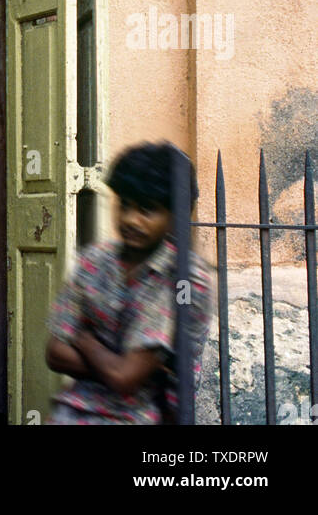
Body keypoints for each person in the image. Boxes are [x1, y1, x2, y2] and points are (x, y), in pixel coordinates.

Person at [44, 141, 212, 424]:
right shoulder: (95, 261)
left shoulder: (185, 278)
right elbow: (55, 353)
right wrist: (122, 367)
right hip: (73, 411)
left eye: (146, 210)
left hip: (142, 416)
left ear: (174, 216)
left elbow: (125, 378)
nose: (130, 220)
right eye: (124, 205)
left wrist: (84, 339)